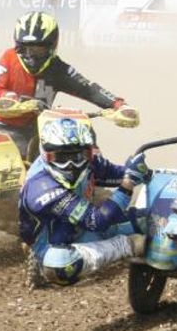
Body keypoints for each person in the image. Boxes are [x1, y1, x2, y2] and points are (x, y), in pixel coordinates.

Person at [19, 116, 150, 287]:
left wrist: (141, 172)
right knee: (59, 267)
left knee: (149, 220)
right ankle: (127, 245)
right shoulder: (41, 188)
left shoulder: (89, 161)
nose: (72, 164)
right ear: (46, 155)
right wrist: (127, 184)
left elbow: (115, 174)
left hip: (81, 230)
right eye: (62, 157)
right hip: (54, 246)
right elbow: (97, 221)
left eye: (79, 155)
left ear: (88, 151)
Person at [0, 12, 135, 157]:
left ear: (51, 47)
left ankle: (93, 178)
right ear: (19, 46)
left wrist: (119, 105)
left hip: (39, 128)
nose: (32, 55)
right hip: (0, 125)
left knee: (82, 142)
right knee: (20, 154)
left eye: (39, 49)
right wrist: (12, 99)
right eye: (27, 48)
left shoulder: (58, 68)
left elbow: (89, 89)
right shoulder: (9, 58)